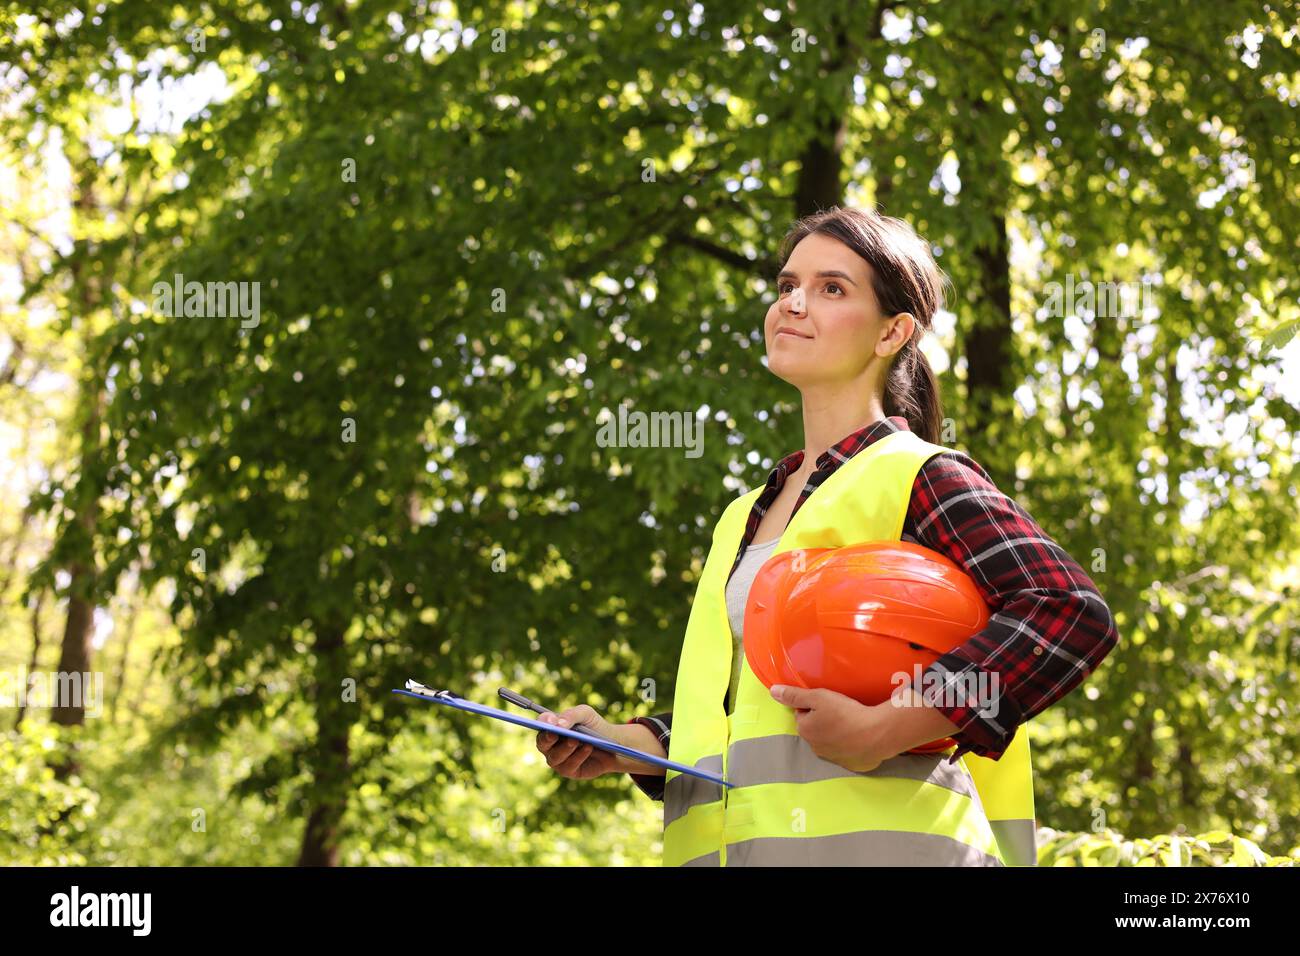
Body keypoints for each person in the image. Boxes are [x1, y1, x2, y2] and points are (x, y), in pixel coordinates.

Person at [536, 205, 1119, 865]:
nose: (793, 304)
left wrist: (896, 725)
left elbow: (1069, 612)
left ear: (891, 332)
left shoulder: (919, 474)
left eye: (830, 288)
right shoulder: (742, 518)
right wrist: (622, 742)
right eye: (787, 286)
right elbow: (757, 715)